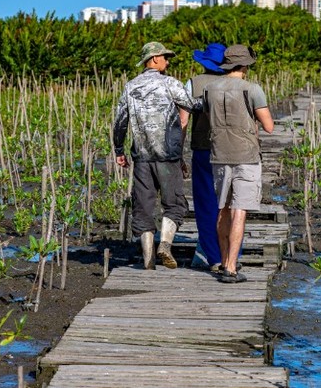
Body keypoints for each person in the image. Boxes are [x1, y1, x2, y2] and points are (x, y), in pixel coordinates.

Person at [113, 41, 195, 269]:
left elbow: (120, 121)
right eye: (166, 58)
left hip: (142, 157)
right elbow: (191, 105)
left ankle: (148, 258)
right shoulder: (170, 84)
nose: (168, 62)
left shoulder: (130, 87)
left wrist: (119, 149)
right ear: (155, 59)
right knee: (175, 204)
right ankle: (166, 244)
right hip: (168, 156)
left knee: (143, 206)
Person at [202, 45, 274, 283]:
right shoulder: (252, 89)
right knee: (239, 210)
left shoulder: (209, 89)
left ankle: (223, 261)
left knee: (222, 209)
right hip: (246, 155)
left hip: (218, 154)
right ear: (245, 65)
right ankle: (231, 267)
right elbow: (269, 126)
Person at [179, 43, 226, 272]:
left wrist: (178, 153)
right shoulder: (238, 83)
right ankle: (231, 253)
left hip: (203, 148)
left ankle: (214, 256)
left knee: (206, 202)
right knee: (229, 202)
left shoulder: (193, 83)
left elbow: (183, 121)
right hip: (231, 150)